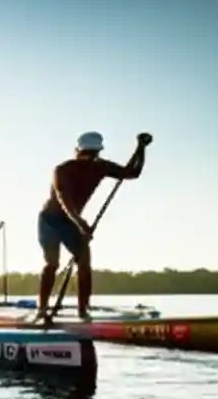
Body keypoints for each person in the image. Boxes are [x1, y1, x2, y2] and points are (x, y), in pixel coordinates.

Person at [37, 131, 151, 321]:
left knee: (84, 263)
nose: (89, 160)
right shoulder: (62, 170)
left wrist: (141, 147)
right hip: (50, 220)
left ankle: (83, 311)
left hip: (72, 221)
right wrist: (81, 224)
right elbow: (65, 201)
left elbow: (132, 173)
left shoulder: (100, 167)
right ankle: (42, 309)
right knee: (52, 263)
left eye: (91, 156)